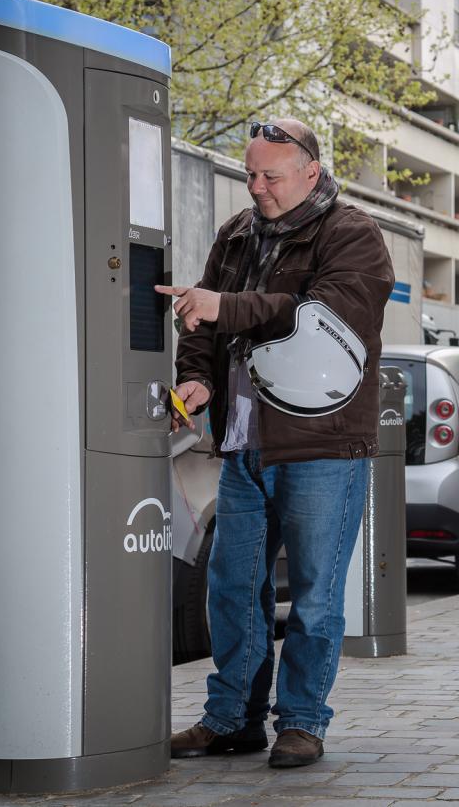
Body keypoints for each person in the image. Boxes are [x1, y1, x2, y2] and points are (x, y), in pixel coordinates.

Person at [156, 119, 394, 768]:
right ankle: (232, 716)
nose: (256, 187)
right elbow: (202, 327)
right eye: (250, 174)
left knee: (315, 594)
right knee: (233, 586)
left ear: (310, 172)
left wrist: (222, 308)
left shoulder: (353, 235)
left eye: (270, 176)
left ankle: (302, 722)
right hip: (243, 442)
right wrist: (196, 378)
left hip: (323, 446)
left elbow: (312, 317)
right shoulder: (237, 234)